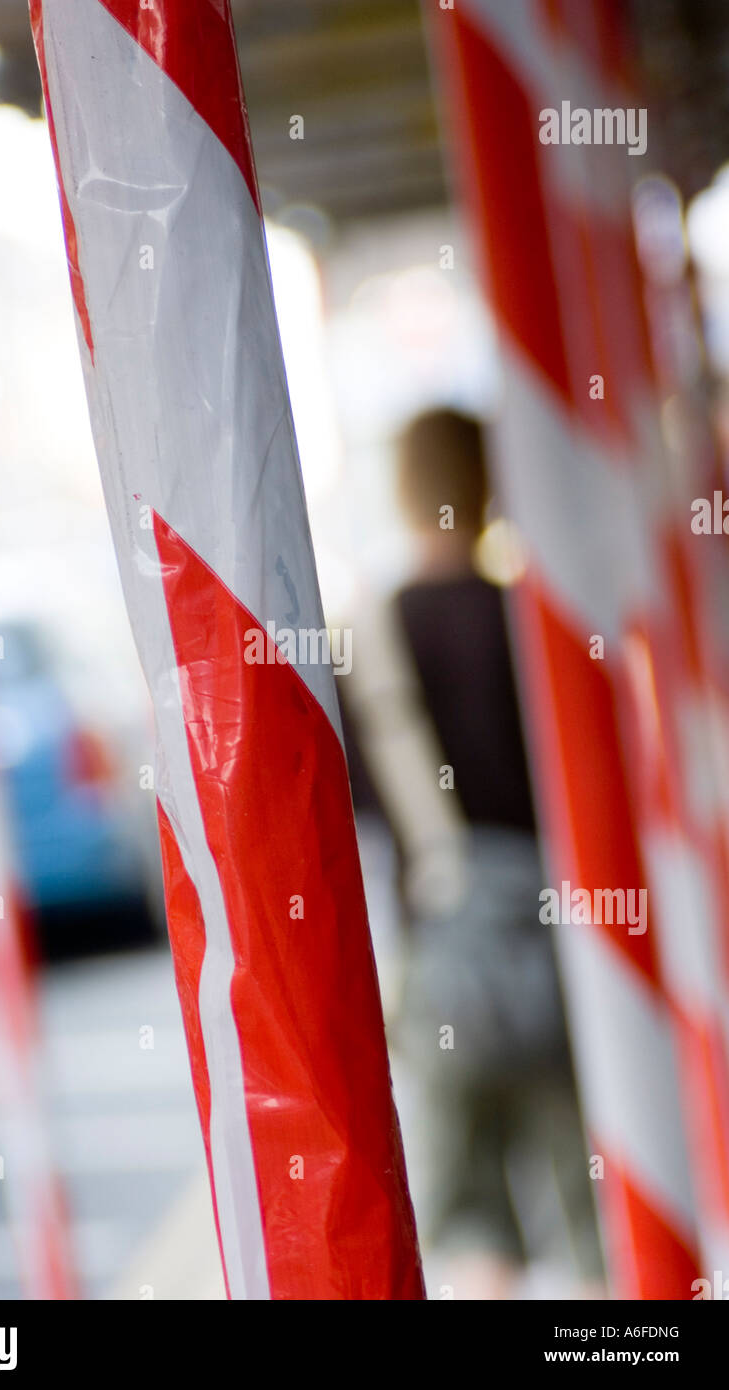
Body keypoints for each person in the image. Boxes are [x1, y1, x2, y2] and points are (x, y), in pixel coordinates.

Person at [342, 408, 603, 1298]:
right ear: (488, 484)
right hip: (562, 949)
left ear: (405, 488)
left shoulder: (372, 633)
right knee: (591, 1199)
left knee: (470, 1219)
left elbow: (362, 817)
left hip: (447, 951)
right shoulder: (538, 616)